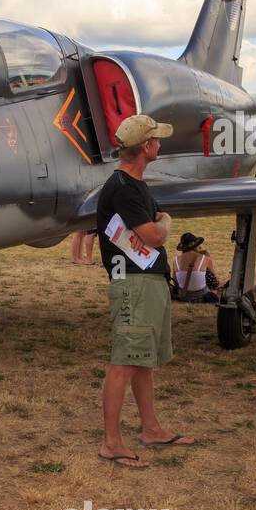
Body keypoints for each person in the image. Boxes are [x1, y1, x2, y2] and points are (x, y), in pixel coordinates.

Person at [96, 113, 196, 468]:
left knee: (142, 361)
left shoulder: (133, 185)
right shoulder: (124, 188)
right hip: (133, 284)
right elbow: (154, 234)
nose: (160, 144)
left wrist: (159, 222)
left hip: (146, 282)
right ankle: (111, 443)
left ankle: (150, 428)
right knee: (124, 361)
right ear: (146, 146)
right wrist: (165, 222)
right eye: (156, 139)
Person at [171, 233, 218, 303]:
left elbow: (175, 281)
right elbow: (215, 279)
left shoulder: (176, 260)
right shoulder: (205, 258)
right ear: (196, 245)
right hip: (201, 296)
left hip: (183, 296)